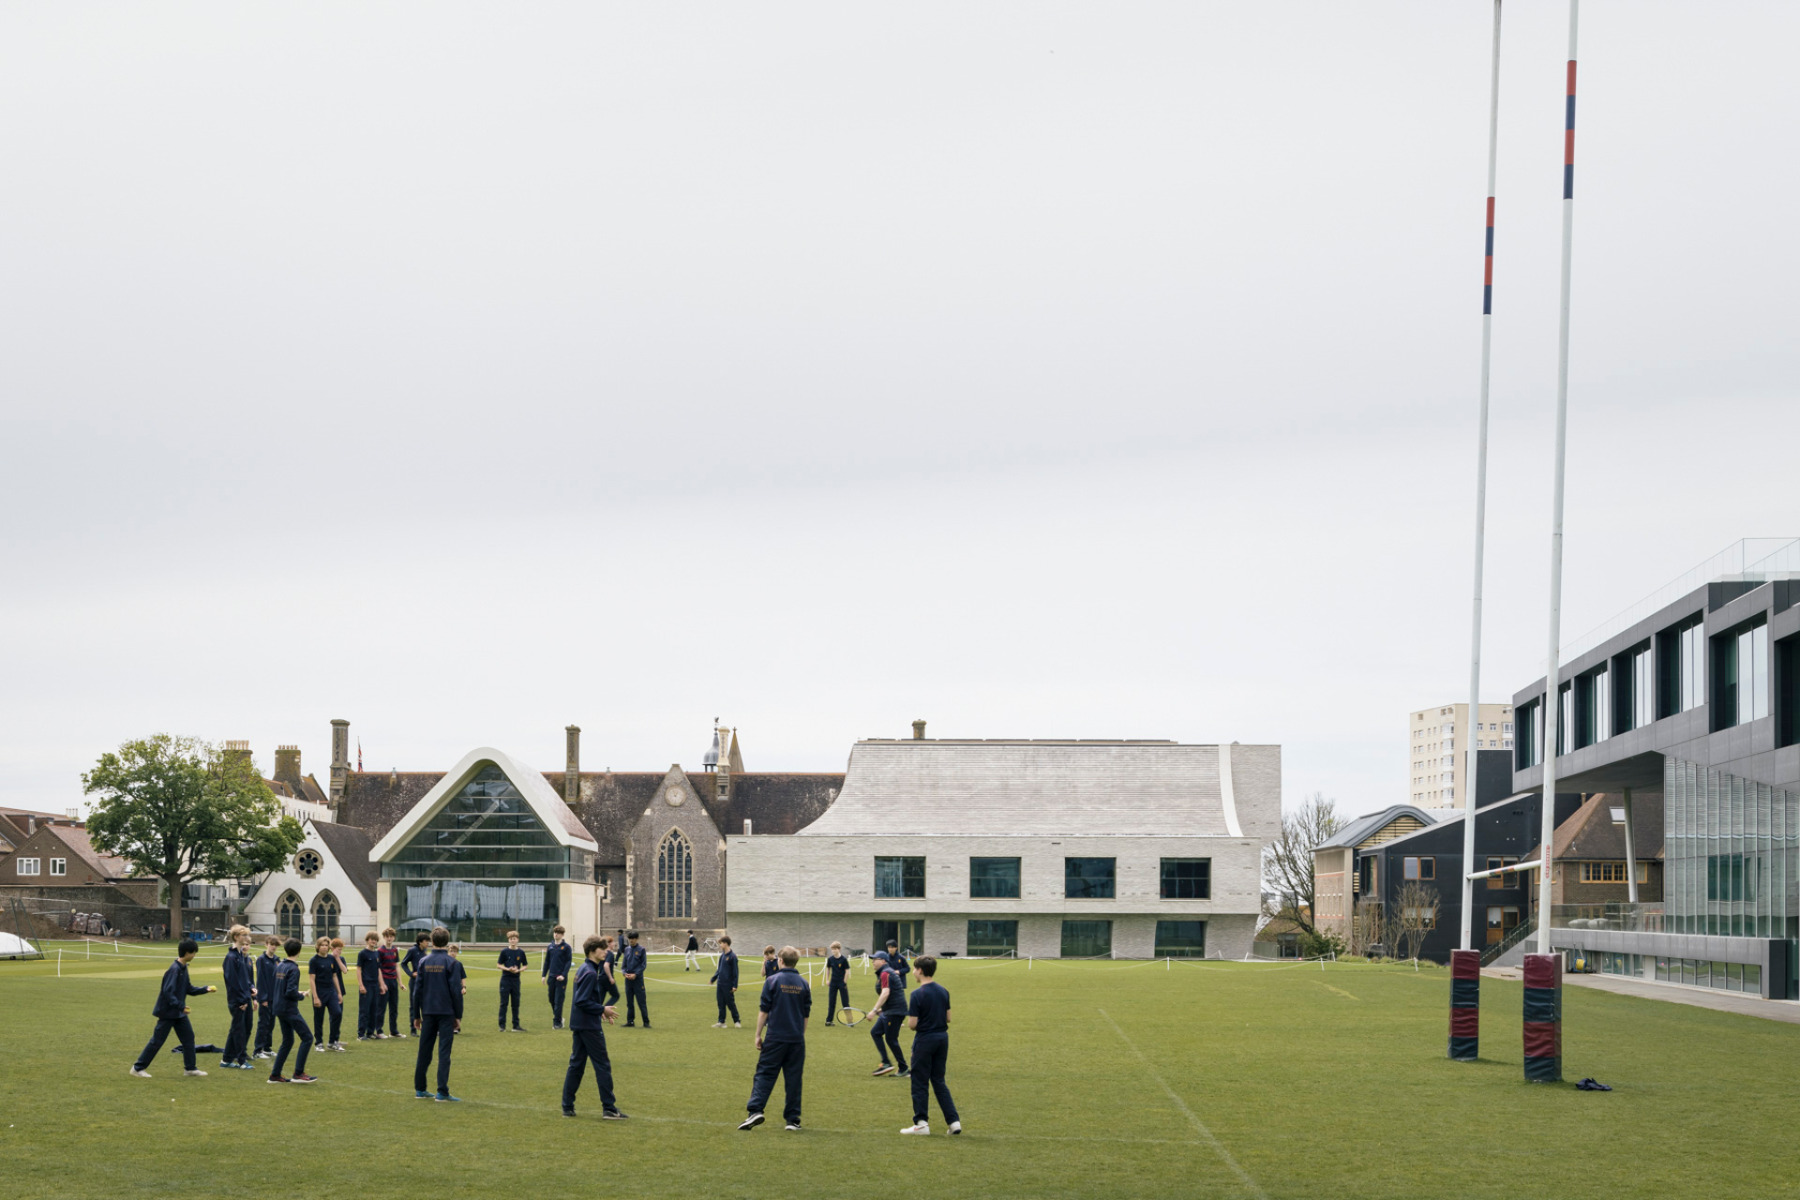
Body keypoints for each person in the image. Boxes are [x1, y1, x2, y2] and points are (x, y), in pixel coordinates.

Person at [738, 945, 811, 1132]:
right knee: (794, 1079)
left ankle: (755, 1110)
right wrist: (800, 1035)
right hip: (796, 1039)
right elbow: (805, 1015)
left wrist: (757, 1035)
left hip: (775, 1037)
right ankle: (793, 1120)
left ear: (780, 961)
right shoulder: (803, 984)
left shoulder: (771, 981)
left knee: (765, 1073)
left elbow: (764, 1011)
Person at [129, 937, 216, 1079]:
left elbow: (188, 988)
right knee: (157, 1041)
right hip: (168, 1013)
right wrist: (181, 1006)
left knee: (188, 1038)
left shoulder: (183, 968)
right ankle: (137, 1068)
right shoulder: (174, 970)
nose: (194, 956)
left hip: (178, 1014)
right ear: (187, 953)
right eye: (193, 953)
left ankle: (190, 1069)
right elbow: (168, 993)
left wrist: (205, 989)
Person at [561, 935, 628, 1120]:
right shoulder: (590, 972)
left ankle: (567, 1106)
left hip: (581, 1024)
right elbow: (581, 1001)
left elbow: (584, 1001)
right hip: (589, 1027)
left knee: (576, 1065)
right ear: (593, 951)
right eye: (602, 948)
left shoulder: (585, 968)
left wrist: (601, 1012)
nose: (606, 951)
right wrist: (602, 1008)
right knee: (602, 1065)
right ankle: (609, 1108)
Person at [899, 956, 961, 1135]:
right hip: (942, 1039)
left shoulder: (917, 994)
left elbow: (912, 1024)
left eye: (914, 968)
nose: (912, 972)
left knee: (919, 1081)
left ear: (920, 970)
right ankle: (954, 1122)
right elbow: (948, 1018)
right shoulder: (944, 991)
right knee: (939, 1080)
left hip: (925, 1040)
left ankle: (921, 1123)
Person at [413, 926, 462, 1101]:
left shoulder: (423, 962)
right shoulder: (453, 963)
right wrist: (458, 1016)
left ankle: (420, 1089)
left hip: (427, 1011)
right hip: (446, 1012)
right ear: (447, 942)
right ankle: (442, 1091)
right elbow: (456, 991)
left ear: (432, 941)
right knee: (444, 1052)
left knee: (424, 1050)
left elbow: (417, 991)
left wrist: (416, 1016)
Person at [268, 937, 318, 1084]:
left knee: (288, 1041)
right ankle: (298, 1073)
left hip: (278, 1007)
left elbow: (279, 987)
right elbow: (290, 992)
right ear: (299, 951)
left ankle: (275, 1075)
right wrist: (300, 996)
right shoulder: (293, 968)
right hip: (289, 1009)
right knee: (308, 1038)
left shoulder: (280, 965)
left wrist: (297, 992)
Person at [218, 925, 257, 1070]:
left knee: (242, 1029)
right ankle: (241, 1061)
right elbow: (232, 981)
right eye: (244, 935)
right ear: (236, 937)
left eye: (247, 935)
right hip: (238, 1000)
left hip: (245, 997)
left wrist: (251, 990)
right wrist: (241, 1000)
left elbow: (244, 979)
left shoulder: (241, 956)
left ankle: (226, 1059)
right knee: (239, 1030)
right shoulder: (231, 957)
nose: (247, 938)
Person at [869, 951, 908, 1078]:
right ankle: (886, 1062)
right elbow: (890, 994)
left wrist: (874, 1010)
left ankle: (903, 1068)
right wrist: (882, 1010)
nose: (873, 961)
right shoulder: (885, 973)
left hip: (895, 1011)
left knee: (891, 1039)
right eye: (872, 959)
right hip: (891, 1010)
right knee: (875, 1032)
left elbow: (886, 992)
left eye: (875, 959)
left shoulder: (885, 973)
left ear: (884, 961)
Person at [309, 936, 346, 1051]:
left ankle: (333, 1042)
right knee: (319, 1018)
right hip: (319, 992)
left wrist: (339, 993)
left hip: (331, 991)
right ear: (318, 947)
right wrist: (315, 997)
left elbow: (334, 976)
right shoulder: (314, 960)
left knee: (337, 1013)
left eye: (326, 945)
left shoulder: (331, 959)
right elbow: (312, 979)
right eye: (322, 945)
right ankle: (318, 1043)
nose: (324, 947)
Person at [253, 934, 282, 1059]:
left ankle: (267, 1047)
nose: (273, 947)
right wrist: (262, 998)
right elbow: (261, 980)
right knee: (263, 1023)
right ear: (266, 945)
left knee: (271, 1023)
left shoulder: (277, 960)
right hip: (266, 996)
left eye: (275, 945)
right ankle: (258, 1050)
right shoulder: (261, 960)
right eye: (271, 945)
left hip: (275, 996)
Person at [356, 931, 387, 1040]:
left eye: (375, 939)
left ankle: (370, 1032)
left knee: (374, 1010)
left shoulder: (376, 953)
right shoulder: (362, 953)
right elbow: (359, 969)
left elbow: (378, 969)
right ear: (367, 940)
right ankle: (360, 1034)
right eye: (371, 939)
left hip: (375, 985)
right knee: (365, 1010)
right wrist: (361, 985)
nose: (373, 941)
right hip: (366, 984)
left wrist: (381, 984)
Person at [542, 925, 572, 1030]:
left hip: (561, 978)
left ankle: (557, 1023)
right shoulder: (550, 946)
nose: (556, 934)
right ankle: (559, 1018)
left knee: (558, 1000)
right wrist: (543, 975)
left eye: (558, 933)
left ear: (562, 935)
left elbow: (568, 962)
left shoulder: (566, 947)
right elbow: (547, 962)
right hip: (551, 977)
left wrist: (563, 975)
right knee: (551, 999)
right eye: (555, 932)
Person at [497, 930, 528, 1031]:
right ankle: (502, 1025)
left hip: (516, 980)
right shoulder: (504, 952)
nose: (512, 941)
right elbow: (498, 965)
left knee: (515, 1003)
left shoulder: (521, 952)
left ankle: (516, 1025)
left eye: (514, 939)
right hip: (505, 979)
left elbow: (526, 965)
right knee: (504, 1003)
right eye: (511, 939)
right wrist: (508, 969)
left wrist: (518, 970)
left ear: (517, 940)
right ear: (508, 940)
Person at [620, 931, 650, 1028]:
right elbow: (623, 965)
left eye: (633, 938)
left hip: (638, 980)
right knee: (629, 1002)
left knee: (641, 1002)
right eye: (630, 939)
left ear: (637, 939)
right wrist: (624, 973)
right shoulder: (627, 950)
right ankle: (630, 1021)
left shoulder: (641, 950)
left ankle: (646, 1022)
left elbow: (643, 965)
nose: (631, 940)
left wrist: (635, 974)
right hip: (628, 980)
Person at [402, 932, 430, 1034]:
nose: (428, 943)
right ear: (420, 942)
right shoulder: (412, 951)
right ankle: (413, 1029)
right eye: (426, 941)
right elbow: (403, 963)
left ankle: (425, 1027)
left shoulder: (425, 951)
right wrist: (411, 973)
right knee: (414, 1004)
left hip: (424, 982)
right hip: (414, 982)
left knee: (424, 1004)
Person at [710, 935, 740, 1028]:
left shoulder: (732, 957)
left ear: (726, 944)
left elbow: (735, 972)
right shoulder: (722, 955)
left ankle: (737, 1021)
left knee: (730, 1003)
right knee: (720, 1003)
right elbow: (719, 970)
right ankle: (721, 1021)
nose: (720, 945)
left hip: (728, 984)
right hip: (720, 983)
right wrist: (713, 978)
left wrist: (735, 985)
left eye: (721, 943)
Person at [378, 928, 402, 1038]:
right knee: (382, 1006)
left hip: (393, 981)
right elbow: (378, 968)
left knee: (394, 1007)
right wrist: (382, 984)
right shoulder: (380, 951)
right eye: (387, 936)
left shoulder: (395, 950)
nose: (389, 938)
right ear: (384, 937)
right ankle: (379, 1030)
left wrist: (400, 982)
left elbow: (397, 966)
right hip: (384, 980)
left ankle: (393, 1031)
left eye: (391, 936)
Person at [823, 942, 851, 1027]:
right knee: (831, 1002)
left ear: (838, 949)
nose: (833, 951)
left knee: (845, 1002)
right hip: (833, 983)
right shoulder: (830, 959)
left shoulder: (843, 959)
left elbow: (847, 971)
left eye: (834, 949)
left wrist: (844, 982)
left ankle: (850, 1021)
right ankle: (829, 1021)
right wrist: (827, 980)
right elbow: (828, 969)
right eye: (832, 949)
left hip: (842, 983)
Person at [599, 936, 621, 1007]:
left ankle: (596, 1015)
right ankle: (605, 1009)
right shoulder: (610, 954)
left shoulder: (601, 953)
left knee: (600, 1000)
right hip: (607, 978)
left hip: (600, 978)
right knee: (616, 996)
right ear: (608, 944)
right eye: (613, 942)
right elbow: (606, 965)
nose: (614, 944)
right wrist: (610, 978)